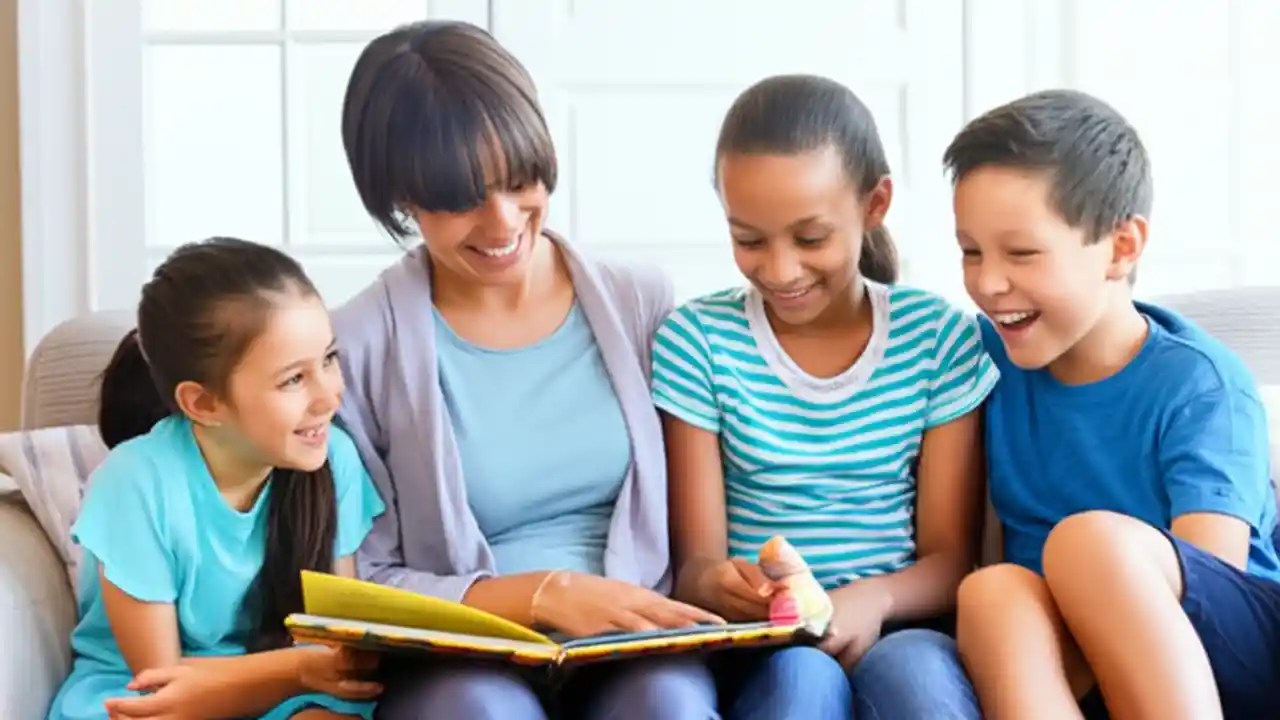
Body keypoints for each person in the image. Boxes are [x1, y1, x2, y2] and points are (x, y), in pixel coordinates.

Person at [332, 19, 722, 720]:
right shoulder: (358, 345)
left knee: (668, 706)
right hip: (464, 660)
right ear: (400, 199)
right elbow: (367, 580)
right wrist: (545, 594)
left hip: (629, 648)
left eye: (519, 180)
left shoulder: (641, 302)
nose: (503, 220)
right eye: (460, 199)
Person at [652, 73, 999, 719]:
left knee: (921, 688)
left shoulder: (937, 339)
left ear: (875, 205)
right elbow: (694, 564)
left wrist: (872, 600)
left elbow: (952, 559)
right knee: (800, 684)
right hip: (763, 643)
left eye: (811, 239)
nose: (780, 270)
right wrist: (725, 585)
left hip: (901, 627)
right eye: (749, 239)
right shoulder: (697, 341)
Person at [946, 89, 1280, 720]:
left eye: (1021, 253)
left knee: (1087, 545)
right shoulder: (976, 361)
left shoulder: (1202, 386)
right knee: (991, 594)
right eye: (970, 251)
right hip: (1086, 662)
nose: (987, 282)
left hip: (1227, 650)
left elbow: (1208, 585)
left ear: (1121, 248)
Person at [45, 237, 387, 720]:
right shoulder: (136, 484)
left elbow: (331, 639)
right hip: (148, 696)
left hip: (286, 685)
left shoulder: (334, 460)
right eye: (293, 379)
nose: (329, 397)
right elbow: (165, 691)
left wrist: (318, 669)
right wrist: (299, 669)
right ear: (203, 404)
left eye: (328, 359)